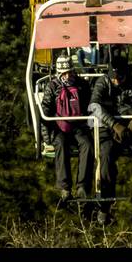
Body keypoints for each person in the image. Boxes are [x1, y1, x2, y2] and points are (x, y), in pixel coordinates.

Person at [89, 51, 132, 223]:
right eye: (114, 77)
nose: (116, 81)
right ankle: (104, 205)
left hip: (131, 129)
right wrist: (114, 124)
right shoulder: (103, 82)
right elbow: (94, 105)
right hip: (109, 129)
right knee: (105, 155)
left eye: (119, 77)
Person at [41, 54, 94, 202]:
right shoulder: (52, 87)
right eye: (65, 73)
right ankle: (65, 187)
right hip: (60, 126)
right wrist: (47, 136)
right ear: (59, 73)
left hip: (78, 125)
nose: (68, 75)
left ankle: (83, 186)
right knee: (61, 144)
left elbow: (90, 106)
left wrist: (90, 126)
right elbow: (45, 110)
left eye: (70, 72)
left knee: (87, 145)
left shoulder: (82, 85)